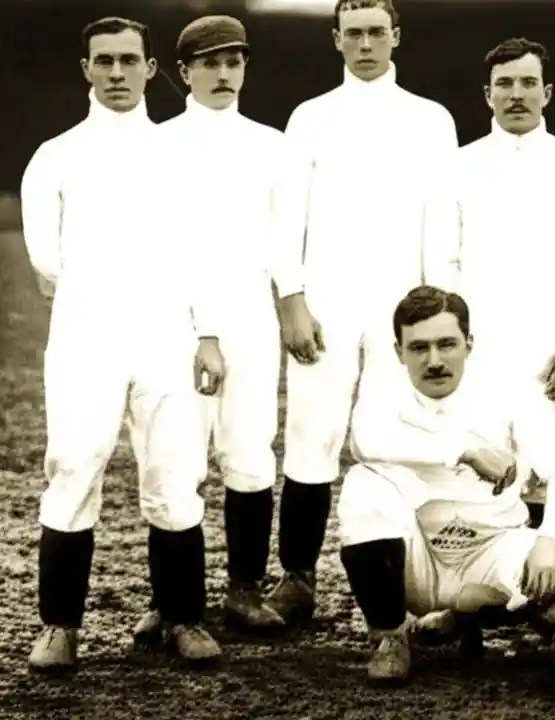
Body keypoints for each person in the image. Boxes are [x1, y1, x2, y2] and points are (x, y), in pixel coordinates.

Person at [21, 16, 220, 671]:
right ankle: (60, 628)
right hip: (85, 339)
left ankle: (184, 619)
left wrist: (207, 335)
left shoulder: (180, 154)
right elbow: (47, 258)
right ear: (85, 68)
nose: (115, 73)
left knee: (173, 474)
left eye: (127, 61)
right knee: (74, 466)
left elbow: (204, 256)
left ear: (150, 68)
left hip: (166, 338)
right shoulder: (55, 156)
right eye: (103, 61)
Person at [269, 0, 460, 626]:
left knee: (400, 439)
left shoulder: (431, 119)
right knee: (311, 438)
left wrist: (438, 309)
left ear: (396, 37)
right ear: (337, 40)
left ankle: (418, 583)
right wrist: (293, 300)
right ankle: (297, 578)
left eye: (378, 32)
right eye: (354, 33)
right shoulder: (310, 117)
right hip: (326, 305)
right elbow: (286, 218)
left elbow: (441, 219)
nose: (367, 43)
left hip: (404, 310)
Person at [129, 15, 307, 641]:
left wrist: (292, 302)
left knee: (251, 455)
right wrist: (201, 330)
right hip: (172, 322)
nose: (224, 73)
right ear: (183, 73)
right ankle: (170, 600)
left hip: (250, 319)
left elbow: (285, 239)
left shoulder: (272, 145)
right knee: (174, 459)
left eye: (234, 61)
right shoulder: (157, 144)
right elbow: (162, 247)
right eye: (210, 63)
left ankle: (243, 591)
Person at [336, 285, 555, 685]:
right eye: (419, 348)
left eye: (447, 344)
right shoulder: (384, 388)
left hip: (491, 544)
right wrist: (465, 450)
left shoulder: (508, 388)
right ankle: (389, 635)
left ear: (468, 344)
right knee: (363, 486)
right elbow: (364, 443)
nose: (434, 361)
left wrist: (549, 542)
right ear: (399, 350)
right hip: (415, 558)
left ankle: (465, 614)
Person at [425, 37, 555, 504]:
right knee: (489, 465)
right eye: (504, 84)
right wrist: (456, 340)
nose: (517, 94)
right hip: (483, 341)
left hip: (554, 347)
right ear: (488, 95)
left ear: (547, 93)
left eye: (529, 83)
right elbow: (442, 260)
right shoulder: (458, 165)